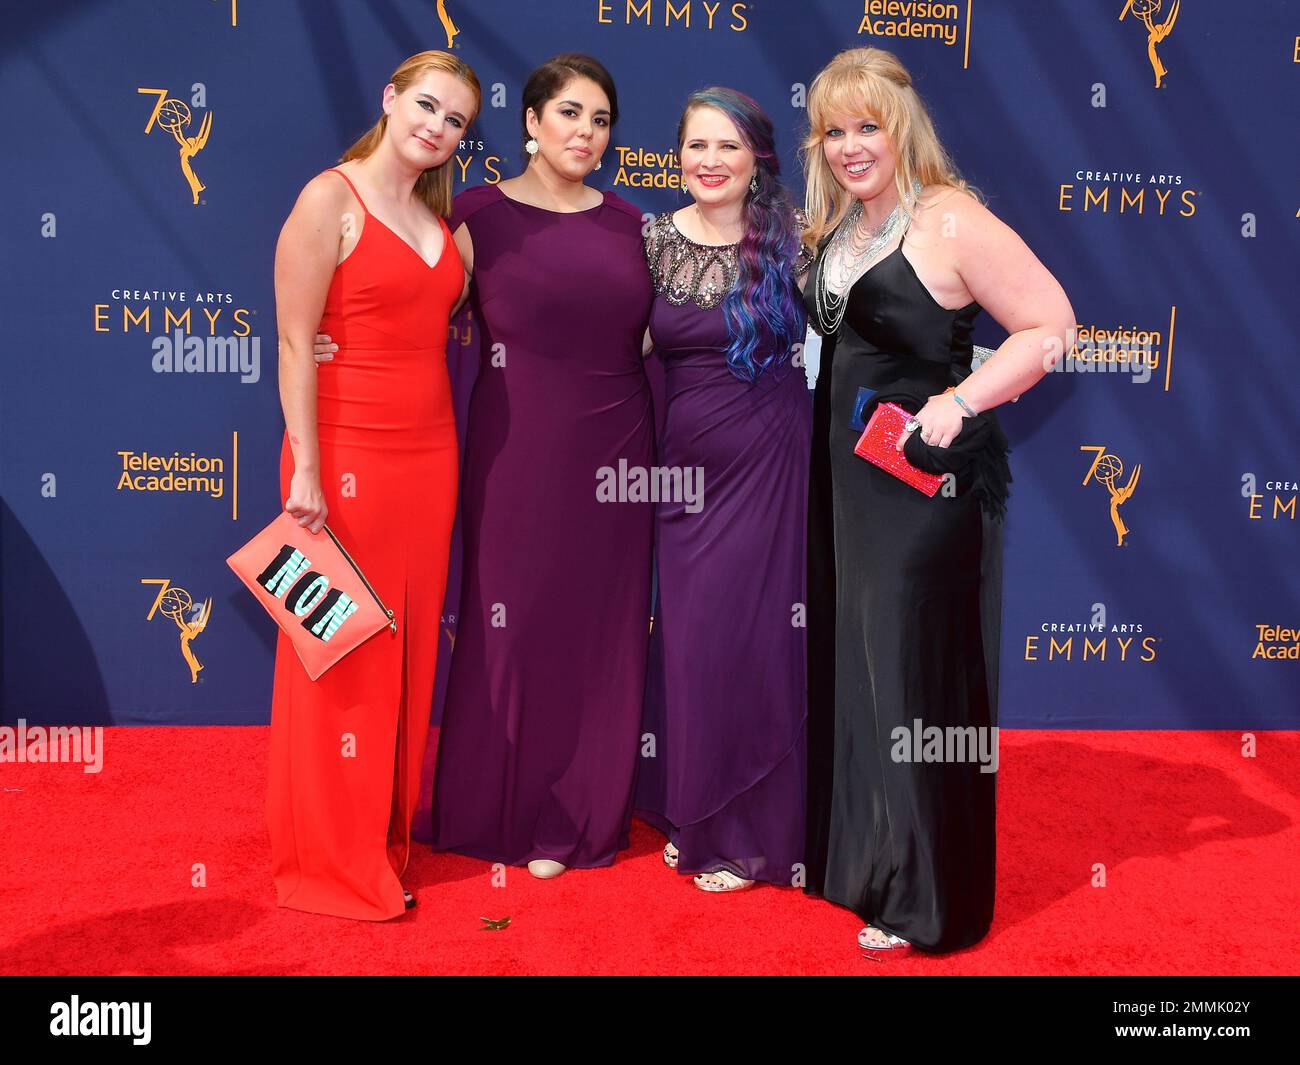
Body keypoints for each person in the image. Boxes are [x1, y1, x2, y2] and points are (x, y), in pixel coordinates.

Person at [800, 47, 1074, 952]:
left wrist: (960, 401)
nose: (849, 146)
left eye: (867, 127)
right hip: (844, 486)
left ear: (903, 128)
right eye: (834, 130)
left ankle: (930, 899)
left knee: (914, 678)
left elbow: (1051, 325)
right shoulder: (843, 226)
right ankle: (870, 866)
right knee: (864, 671)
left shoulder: (951, 219)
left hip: (922, 488)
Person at [429, 54, 656, 879]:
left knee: (596, 635)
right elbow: (413, 313)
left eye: (600, 120)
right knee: (509, 628)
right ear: (528, 122)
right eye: (568, 114)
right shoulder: (477, 216)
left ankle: (577, 814)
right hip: (514, 455)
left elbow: (664, 339)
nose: (586, 134)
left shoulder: (636, 226)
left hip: (619, 461)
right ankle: (498, 808)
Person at [268, 50, 480, 920]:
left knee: (408, 655)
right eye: (425, 105)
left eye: (456, 120)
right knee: (339, 660)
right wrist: (308, 469)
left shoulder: (445, 216)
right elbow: (292, 342)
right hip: (340, 463)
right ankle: (330, 862)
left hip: (430, 462)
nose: (436, 126)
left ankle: (381, 840)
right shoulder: (331, 197)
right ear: (390, 100)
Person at [635, 88, 812, 893]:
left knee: (756, 642)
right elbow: (579, 330)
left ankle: (747, 834)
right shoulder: (646, 240)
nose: (709, 161)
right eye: (696, 145)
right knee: (693, 643)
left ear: (756, 162)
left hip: (774, 464)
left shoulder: (794, 245)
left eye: (728, 148)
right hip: (683, 478)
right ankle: (696, 809)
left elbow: (875, 327)